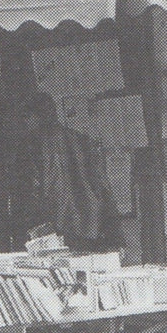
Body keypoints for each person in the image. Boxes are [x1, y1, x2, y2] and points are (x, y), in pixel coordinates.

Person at [14, 91, 118, 252]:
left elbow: (30, 193)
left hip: (51, 232)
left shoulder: (30, 146)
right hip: (89, 230)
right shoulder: (83, 141)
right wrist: (115, 239)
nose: (23, 123)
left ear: (38, 116)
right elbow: (104, 189)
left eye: (25, 117)